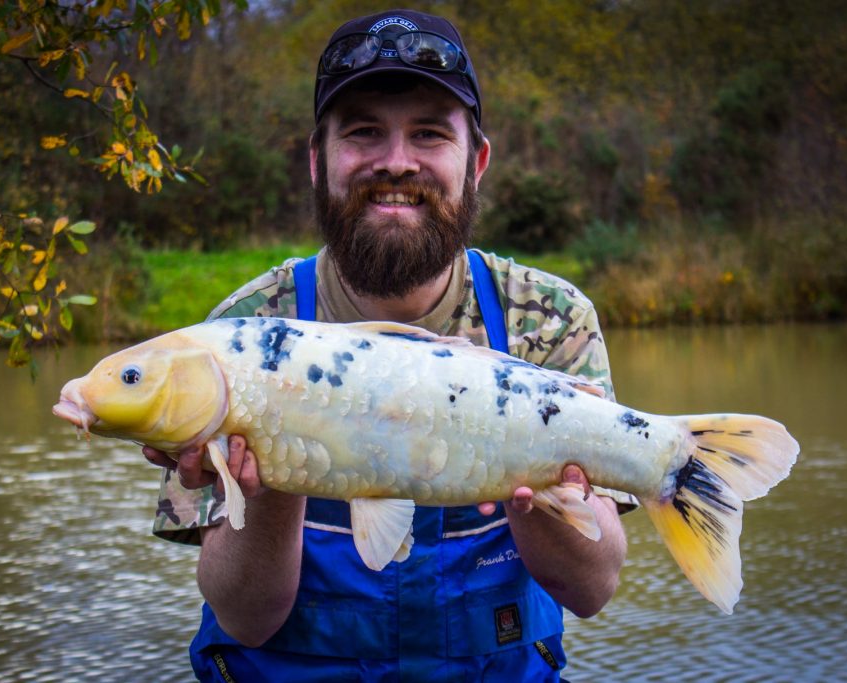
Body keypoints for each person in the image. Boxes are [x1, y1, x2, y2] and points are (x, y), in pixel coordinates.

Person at [144, 9, 636, 682]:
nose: (396, 162)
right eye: (364, 132)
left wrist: (542, 491)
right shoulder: (242, 330)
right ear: (319, 160)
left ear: (477, 160)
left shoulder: (547, 321)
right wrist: (277, 475)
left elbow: (593, 589)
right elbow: (245, 617)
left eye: (429, 133)